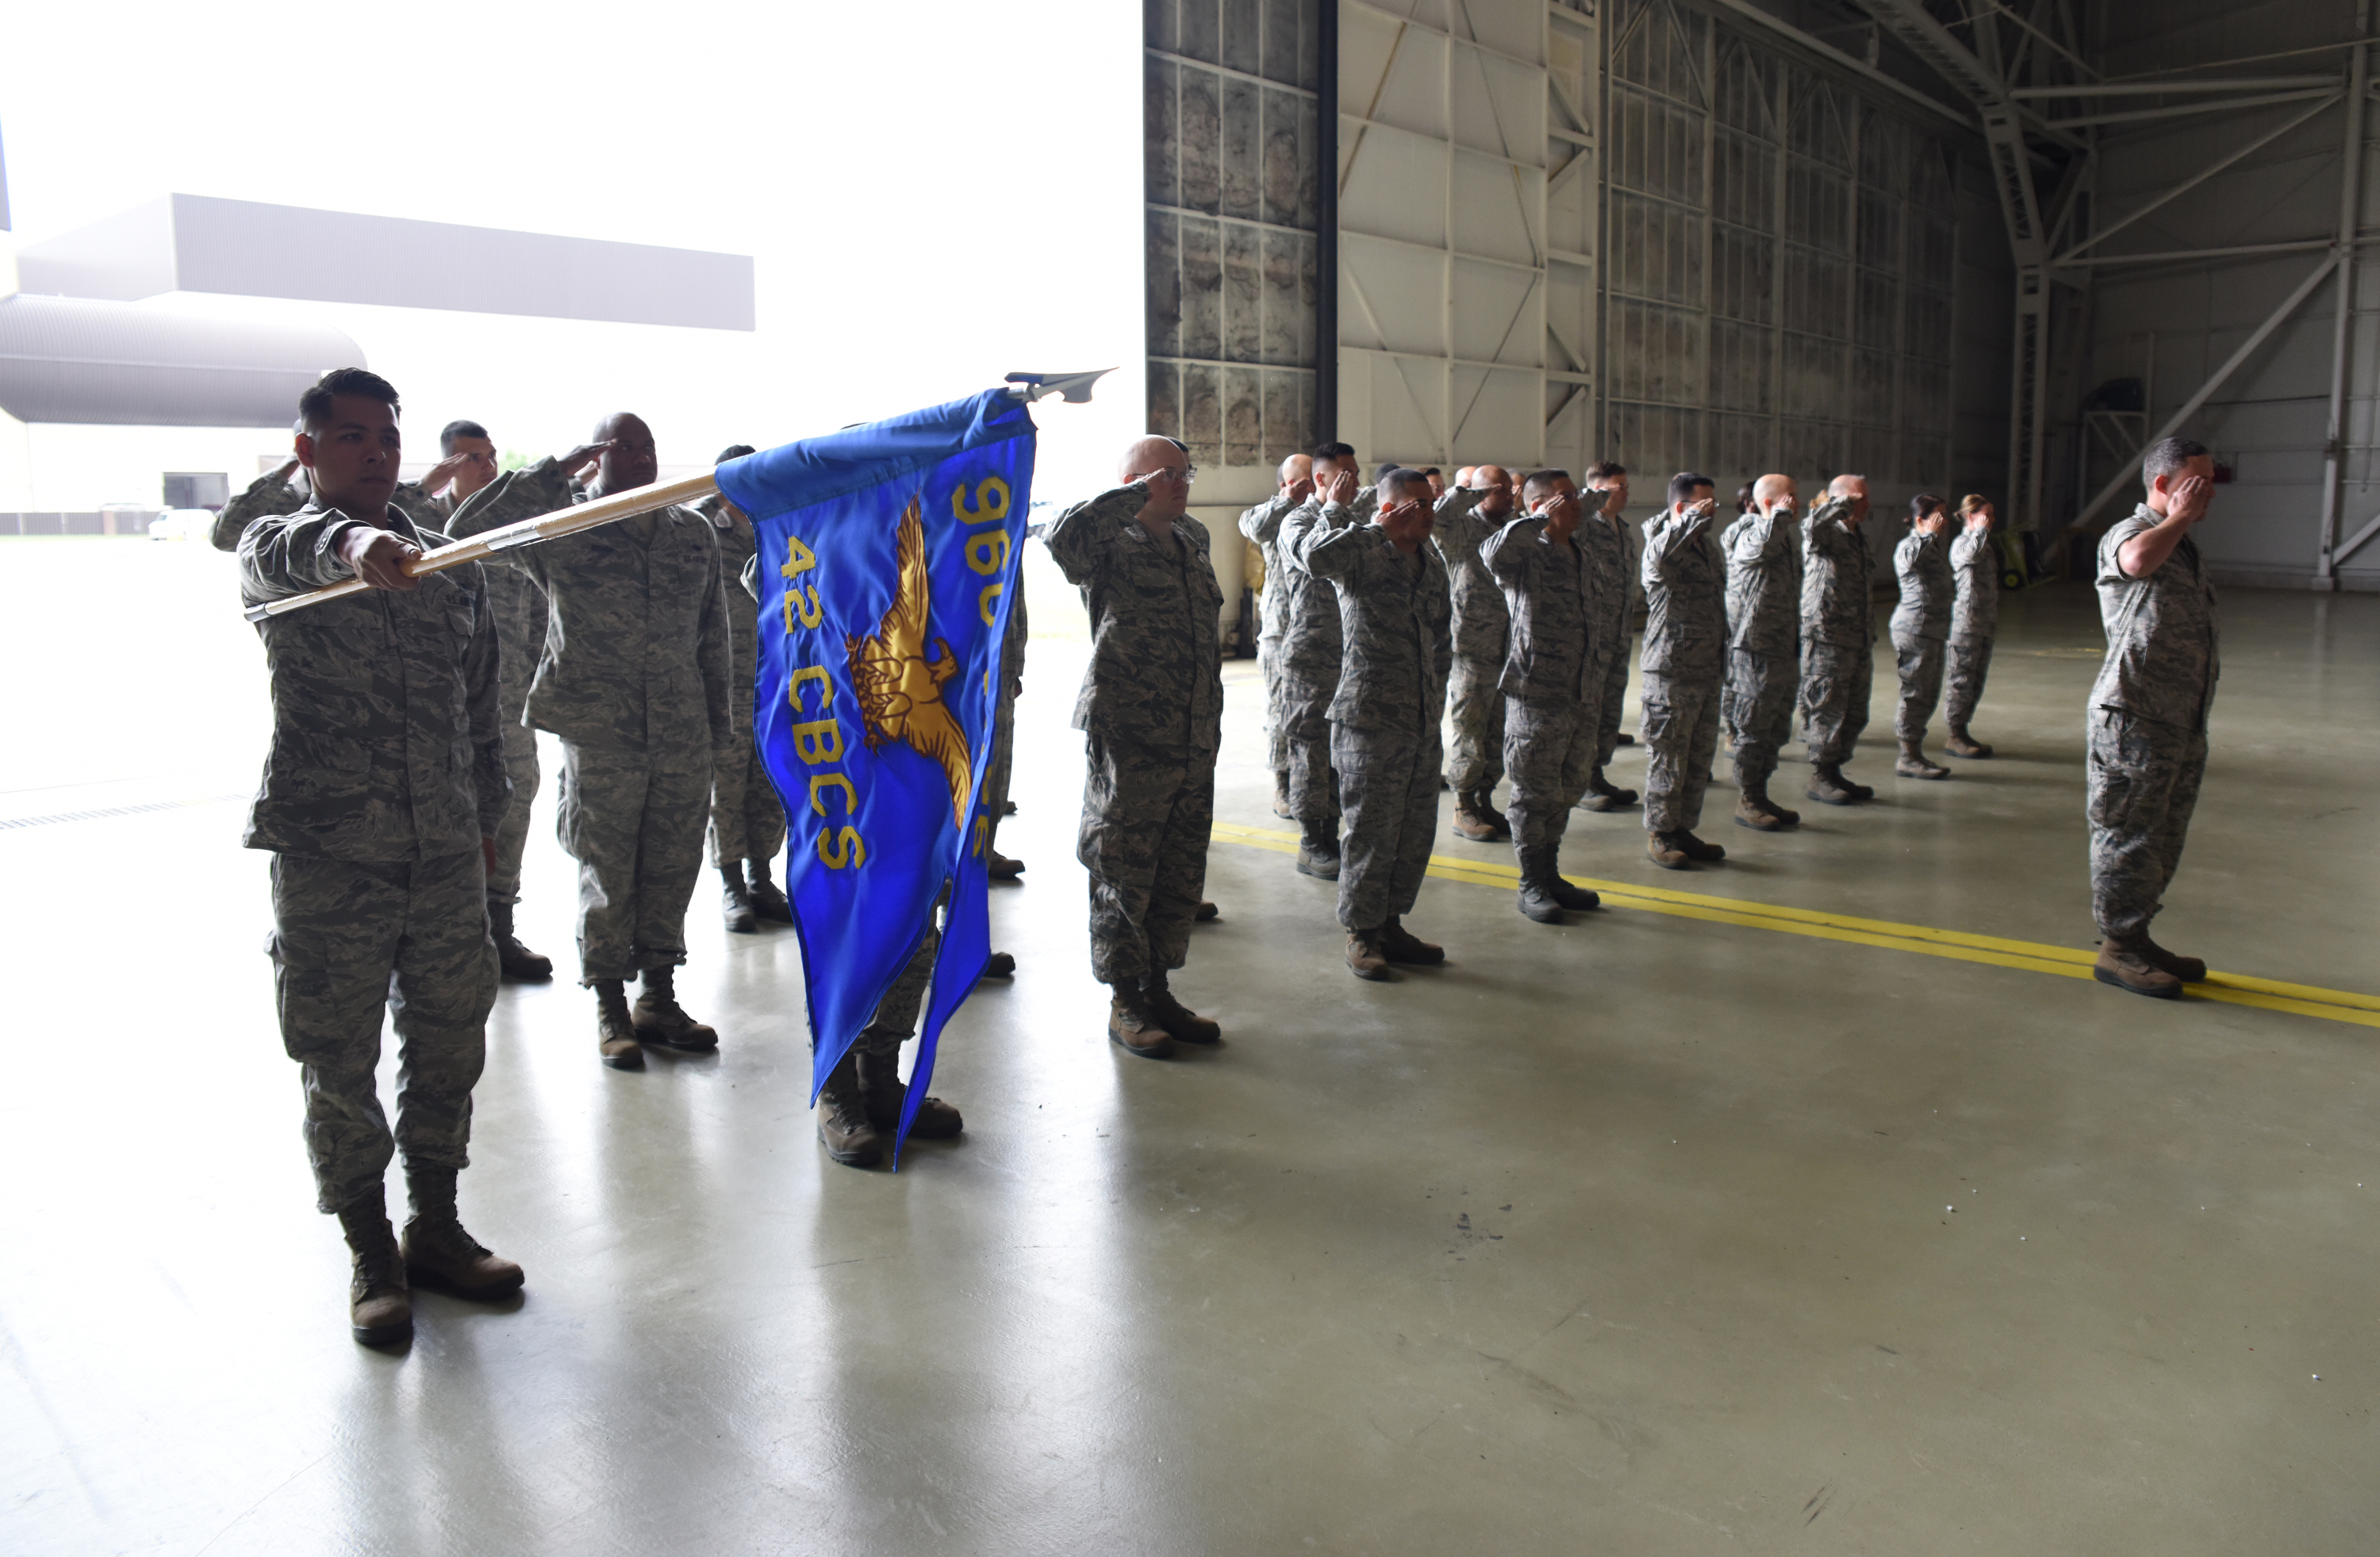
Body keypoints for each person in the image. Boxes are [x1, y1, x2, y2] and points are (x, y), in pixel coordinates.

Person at [236, 368, 522, 1347]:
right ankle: (370, 1248)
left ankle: (434, 1227)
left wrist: (487, 820)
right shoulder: (280, 548)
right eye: (351, 437)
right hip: (332, 856)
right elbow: (303, 548)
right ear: (309, 450)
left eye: (388, 439)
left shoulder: (451, 565)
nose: (376, 453)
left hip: (441, 849)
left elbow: (481, 707)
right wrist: (361, 544)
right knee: (336, 1053)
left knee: (448, 1039)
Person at [449, 414, 733, 1071]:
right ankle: (609, 1002)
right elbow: (466, 534)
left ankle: (658, 996)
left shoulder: (692, 533)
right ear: (597, 458)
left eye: (647, 447)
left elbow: (711, 634)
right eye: (621, 447)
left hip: (680, 726)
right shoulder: (566, 532)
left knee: (671, 863)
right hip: (599, 729)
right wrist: (552, 474)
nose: (637, 457)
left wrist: (720, 729)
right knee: (606, 866)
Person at [1042, 436, 1226, 1057]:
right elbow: (1059, 541)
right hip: (1130, 734)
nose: (1179, 483)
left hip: (1194, 733)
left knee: (1179, 870)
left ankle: (1160, 987)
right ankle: (1126, 1001)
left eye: (1184, 473)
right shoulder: (1106, 544)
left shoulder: (1193, 540)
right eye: (1164, 475)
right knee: (1124, 868)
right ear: (1130, 483)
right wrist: (1126, 496)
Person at [1282, 467, 1454, 978]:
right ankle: (1361, 932)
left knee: (1413, 830)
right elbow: (1315, 557)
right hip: (1370, 717)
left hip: (1422, 718)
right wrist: (1359, 519)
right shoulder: (1363, 552)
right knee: (1371, 829)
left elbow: (1442, 635)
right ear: (1387, 507)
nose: (1427, 512)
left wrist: (1437, 696)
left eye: (1430, 503)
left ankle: (1392, 923)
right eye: (1416, 503)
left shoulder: (1433, 560)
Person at [2087, 437, 2219, 1000]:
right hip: (2135, 713)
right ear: (2163, 485)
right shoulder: (2132, 531)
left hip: (2177, 716)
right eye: (2195, 483)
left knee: (2162, 835)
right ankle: (2118, 949)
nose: (2206, 495)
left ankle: (2138, 935)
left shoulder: (2182, 544)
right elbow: (2137, 561)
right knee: (2129, 832)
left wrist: (2182, 523)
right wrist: (2180, 519)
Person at [1484, 471, 1609, 922]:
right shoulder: (1524, 554)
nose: (1577, 504)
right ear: (1541, 504)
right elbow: (1491, 556)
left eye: (1576, 495)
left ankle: (1550, 872)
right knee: (1534, 791)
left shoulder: (1583, 554)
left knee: (1569, 786)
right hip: (1537, 692)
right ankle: (1531, 881)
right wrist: (1532, 520)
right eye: (1566, 498)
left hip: (1581, 691)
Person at [696, 445, 795, 933]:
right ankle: (733, 885)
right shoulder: (699, 532)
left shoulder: (777, 525)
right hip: (723, 682)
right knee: (725, 788)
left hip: (773, 678)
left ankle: (762, 878)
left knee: (769, 781)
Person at [1277, 443, 1371, 879]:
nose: (1354, 483)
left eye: (1356, 474)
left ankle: (1342, 832)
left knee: (1347, 752)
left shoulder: (1357, 518)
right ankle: (1314, 840)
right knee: (1312, 751)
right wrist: (1333, 507)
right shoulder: (1298, 520)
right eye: (1344, 475)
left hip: (1354, 655)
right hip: (1312, 654)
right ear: (1321, 480)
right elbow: (1316, 557)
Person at [1637, 473, 1729, 870]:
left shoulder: (1706, 549)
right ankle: (1660, 833)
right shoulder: (1662, 545)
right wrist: (1685, 522)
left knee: (1697, 759)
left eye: (1713, 506)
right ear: (1680, 509)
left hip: (1707, 668)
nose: (1710, 514)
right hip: (1671, 671)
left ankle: (1683, 828)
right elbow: (1660, 559)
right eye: (1703, 506)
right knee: (1669, 757)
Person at [1433, 465, 1516, 841]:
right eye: (1504, 491)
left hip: (1508, 646)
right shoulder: (1463, 529)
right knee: (1471, 730)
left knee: (1497, 730)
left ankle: (1485, 798)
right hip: (1472, 648)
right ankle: (1463, 806)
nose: (1512, 496)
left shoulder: (1511, 529)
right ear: (1484, 493)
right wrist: (1470, 492)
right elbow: (1437, 518)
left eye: (1513, 489)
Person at [1722, 474, 1804, 831]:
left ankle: (1761, 792)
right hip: (1755, 647)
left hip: (1783, 645)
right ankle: (1748, 799)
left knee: (1775, 727)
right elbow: (1758, 549)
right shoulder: (1749, 531)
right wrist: (1778, 517)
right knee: (1753, 727)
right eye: (1790, 497)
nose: (1796, 503)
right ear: (1770, 503)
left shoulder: (1783, 535)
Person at [1238, 453, 1316, 821]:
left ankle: (1314, 783)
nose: (1308, 487)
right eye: (1298, 481)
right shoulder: (1271, 513)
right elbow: (1253, 529)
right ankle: (1283, 782)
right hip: (1279, 631)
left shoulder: (1326, 512)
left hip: (1320, 633)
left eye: (1312, 479)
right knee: (1281, 710)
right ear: (1283, 484)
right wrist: (1288, 499)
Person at [1800, 475, 1877, 805]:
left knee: (1855, 711)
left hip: (1857, 635)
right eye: (1860, 498)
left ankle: (1836, 770)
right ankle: (1820, 775)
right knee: (1827, 709)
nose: (1866, 504)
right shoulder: (1826, 533)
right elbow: (1811, 527)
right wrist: (1841, 503)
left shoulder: (1856, 536)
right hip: (1828, 635)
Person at [1578, 461, 1641, 811]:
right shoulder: (1585, 525)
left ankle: (1597, 772)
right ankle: (1580, 782)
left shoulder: (1623, 528)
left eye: (1625, 485)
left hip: (1619, 634)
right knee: (1589, 711)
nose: (1626, 492)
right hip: (1594, 636)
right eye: (1618, 486)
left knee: (1610, 710)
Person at [1890, 495, 1956, 780]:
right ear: (1920, 520)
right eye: (1937, 516)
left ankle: (1915, 752)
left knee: (1927, 693)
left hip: (1934, 628)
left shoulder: (1933, 546)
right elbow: (1908, 560)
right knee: (1915, 693)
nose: (1943, 522)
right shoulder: (1911, 545)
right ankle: (1908, 756)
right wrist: (1927, 536)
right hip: (1915, 628)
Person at [1944, 494, 2000, 758]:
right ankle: (1954, 735)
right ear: (1970, 517)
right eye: (1985, 515)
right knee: (1962, 680)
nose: (1990, 521)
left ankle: (1963, 729)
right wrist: (1978, 532)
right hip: (1967, 623)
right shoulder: (1963, 543)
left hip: (1985, 622)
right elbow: (1968, 556)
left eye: (1991, 515)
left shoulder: (1985, 544)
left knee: (1976, 681)